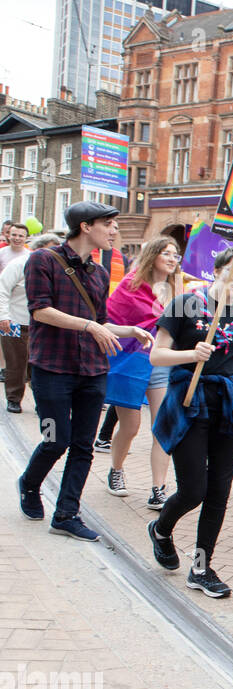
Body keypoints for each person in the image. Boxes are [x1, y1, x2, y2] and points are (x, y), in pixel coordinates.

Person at [18, 202, 153, 541]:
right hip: (52, 367)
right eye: (109, 224)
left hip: (92, 369)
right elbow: (41, 311)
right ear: (85, 226)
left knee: (83, 445)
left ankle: (66, 513)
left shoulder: (99, 273)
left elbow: (100, 321)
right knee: (55, 440)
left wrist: (129, 330)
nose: (114, 231)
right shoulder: (43, 260)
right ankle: (30, 483)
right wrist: (90, 327)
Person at [146, 248, 233, 596]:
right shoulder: (185, 304)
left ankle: (202, 565)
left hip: (230, 411)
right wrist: (190, 354)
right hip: (190, 405)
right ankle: (162, 529)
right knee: (194, 489)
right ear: (216, 271)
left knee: (219, 492)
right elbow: (157, 354)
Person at [103, 236, 185, 506]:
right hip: (131, 362)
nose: (172, 259)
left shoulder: (178, 289)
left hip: (161, 363)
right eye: (167, 253)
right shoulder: (130, 284)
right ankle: (116, 470)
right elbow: (108, 320)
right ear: (153, 255)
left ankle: (157, 488)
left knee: (161, 426)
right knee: (130, 425)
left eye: (176, 255)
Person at [0, 232, 59, 413]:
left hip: (40, 323)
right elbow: (2, 289)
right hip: (14, 321)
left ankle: (41, 401)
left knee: (39, 365)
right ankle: (14, 399)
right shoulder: (19, 264)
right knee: (16, 363)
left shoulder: (54, 268)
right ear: (37, 248)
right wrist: (3, 316)